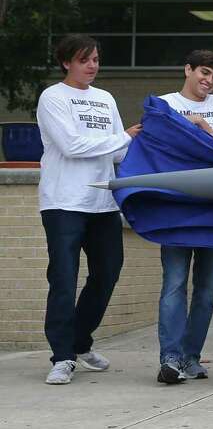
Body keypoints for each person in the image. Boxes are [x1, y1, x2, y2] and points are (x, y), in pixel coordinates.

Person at [38, 34, 141, 385]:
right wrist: (124, 137)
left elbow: (117, 153)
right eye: (85, 60)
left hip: (103, 201)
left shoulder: (105, 98)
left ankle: (80, 342)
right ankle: (62, 356)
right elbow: (71, 145)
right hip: (64, 201)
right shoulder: (53, 97)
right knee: (63, 279)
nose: (93, 66)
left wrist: (135, 142)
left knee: (107, 274)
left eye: (96, 59)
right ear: (67, 62)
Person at [156, 50, 213, 384]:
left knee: (206, 291)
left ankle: (190, 358)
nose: (208, 81)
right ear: (187, 69)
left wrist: (199, 125)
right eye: (203, 72)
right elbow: (163, 144)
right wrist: (207, 134)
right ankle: (170, 357)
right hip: (176, 207)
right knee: (174, 285)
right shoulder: (164, 103)